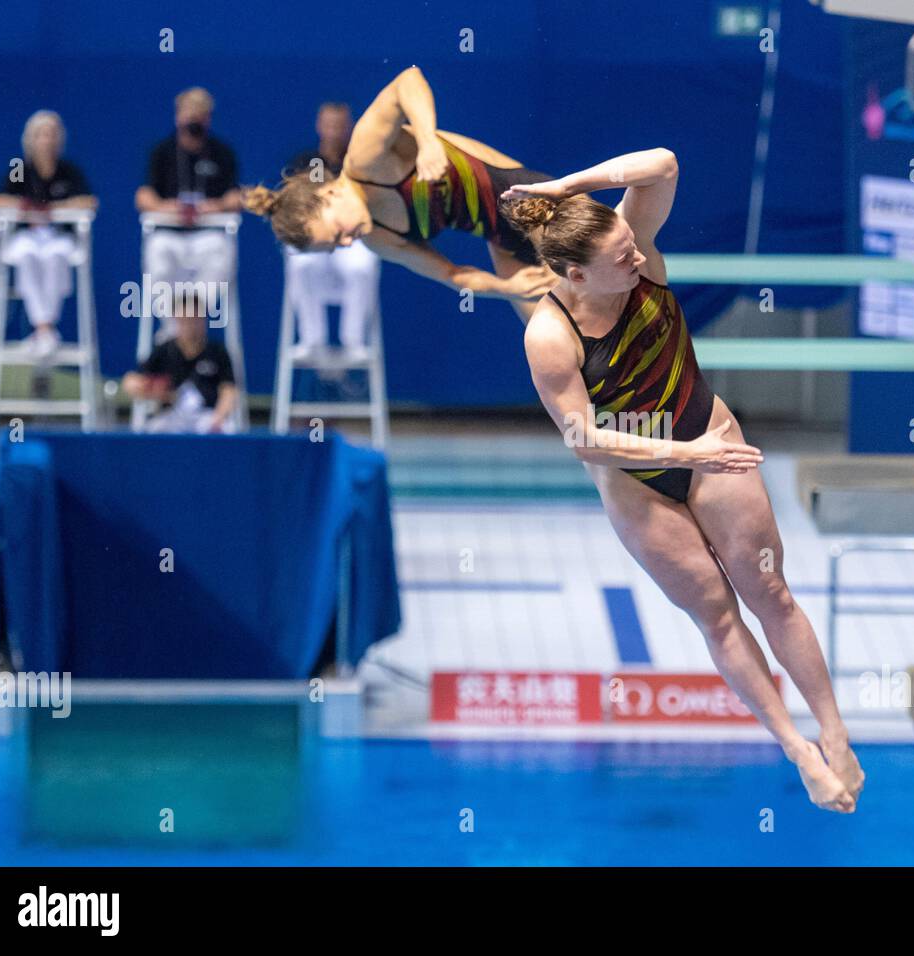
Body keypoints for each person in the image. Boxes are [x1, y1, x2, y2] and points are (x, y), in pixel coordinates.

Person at [500, 149, 866, 813]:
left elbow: (662, 164)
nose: (637, 258)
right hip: (637, 480)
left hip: (704, 434)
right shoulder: (550, 336)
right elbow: (582, 439)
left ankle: (834, 730)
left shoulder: (636, 248)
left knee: (770, 592)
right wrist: (683, 453)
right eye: (620, 258)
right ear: (577, 275)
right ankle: (798, 749)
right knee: (717, 615)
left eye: (631, 245)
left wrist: (568, 185)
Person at [242, 64, 558, 323]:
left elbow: (407, 80)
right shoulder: (378, 238)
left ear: (327, 195)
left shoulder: (366, 158)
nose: (349, 243)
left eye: (338, 233)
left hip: (533, 203)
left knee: (587, 312)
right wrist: (506, 287)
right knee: (554, 351)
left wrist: (427, 140)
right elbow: (454, 275)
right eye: (337, 246)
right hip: (505, 243)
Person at [0, 110, 97, 360]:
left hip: (59, 237)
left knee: (56, 254)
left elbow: (88, 201)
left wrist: (52, 210)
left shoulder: (68, 171)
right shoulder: (20, 169)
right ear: (30, 139)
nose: (46, 140)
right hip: (28, 237)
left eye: (51, 135)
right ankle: (45, 329)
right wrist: (25, 206)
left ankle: (44, 330)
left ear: (59, 139)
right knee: (27, 252)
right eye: (41, 135)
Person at [135, 87, 242, 338]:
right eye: (188, 114)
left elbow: (238, 196)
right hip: (170, 233)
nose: (193, 120)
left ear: (208, 118)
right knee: (158, 255)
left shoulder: (222, 153)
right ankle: (174, 330)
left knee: (220, 254)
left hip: (207, 234)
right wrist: (164, 207)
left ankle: (191, 325)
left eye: (200, 114)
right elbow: (143, 196)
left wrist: (217, 205)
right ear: (177, 116)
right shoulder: (162, 152)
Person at [282, 102, 381, 362]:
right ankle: (312, 339)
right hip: (318, 238)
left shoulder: (360, 162)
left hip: (352, 238)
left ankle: (354, 341)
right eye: (330, 125)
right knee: (300, 263)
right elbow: (296, 204)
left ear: (349, 127)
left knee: (362, 266)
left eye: (340, 125)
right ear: (319, 126)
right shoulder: (309, 162)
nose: (335, 131)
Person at [122, 289, 238, 434]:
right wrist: (145, 388)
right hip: (171, 416)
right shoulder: (164, 350)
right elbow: (133, 380)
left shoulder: (217, 351)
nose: (191, 325)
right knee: (154, 430)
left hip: (206, 415)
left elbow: (229, 389)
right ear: (177, 319)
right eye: (186, 319)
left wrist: (219, 417)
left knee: (227, 429)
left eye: (195, 319)